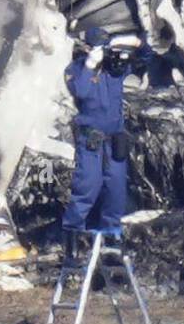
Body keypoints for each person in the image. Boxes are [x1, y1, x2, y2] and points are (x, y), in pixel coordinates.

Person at [61, 27, 145, 253]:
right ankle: (73, 243)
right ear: (87, 48)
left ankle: (111, 240)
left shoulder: (115, 67)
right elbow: (81, 91)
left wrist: (130, 42)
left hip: (115, 141)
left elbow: (145, 56)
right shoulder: (77, 69)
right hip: (91, 142)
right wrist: (90, 65)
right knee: (86, 189)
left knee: (116, 190)